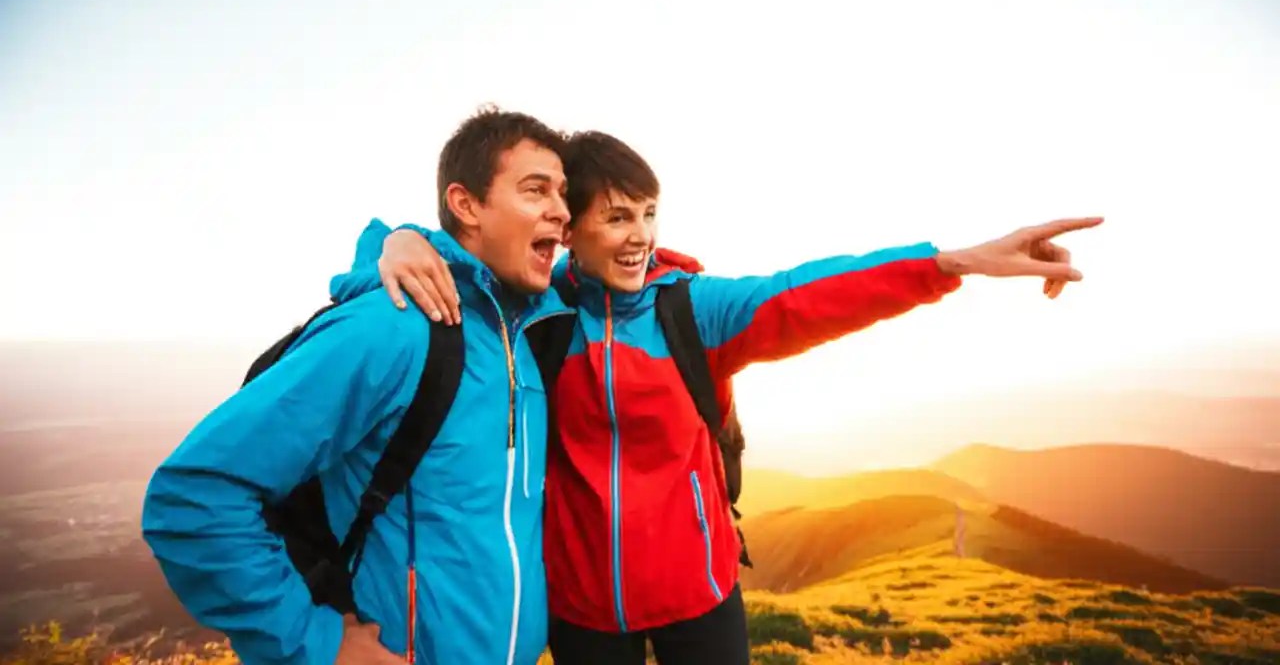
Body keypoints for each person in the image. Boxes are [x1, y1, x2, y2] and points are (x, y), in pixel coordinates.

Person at [331, 130, 1103, 664]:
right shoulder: (539, 313)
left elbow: (809, 293)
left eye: (649, 213)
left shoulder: (691, 311)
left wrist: (954, 262)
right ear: (569, 227)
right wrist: (394, 242)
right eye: (616, 217)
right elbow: (449, 262)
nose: (639, 236)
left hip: (700, 591)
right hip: (582, 609)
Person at [140, 107, 577, 665]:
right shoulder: (392, 327)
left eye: (562, 194)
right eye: (536, 189)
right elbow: (193, 495)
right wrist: (320, 647)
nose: (560, 211)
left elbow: (622, 275)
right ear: (465, 205)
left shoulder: (533, 334)